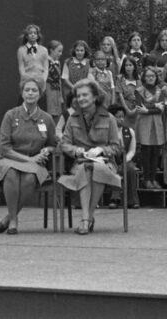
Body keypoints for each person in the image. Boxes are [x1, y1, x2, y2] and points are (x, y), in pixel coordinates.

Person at [0, 78, 57, 234]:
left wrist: (46, 151)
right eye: (27, 90)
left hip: (35, 163)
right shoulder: (10, 115)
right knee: (11, 173)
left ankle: (9, 217)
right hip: (9, 159)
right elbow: (4, 148)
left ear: (40, 94)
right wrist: (29, 159)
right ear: (22, 93)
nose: (30, 93)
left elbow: (53, 144)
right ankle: (13, 221)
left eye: (34, 90)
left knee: (29, 178)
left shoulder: (47, 119)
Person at [58, 78, 122, 235]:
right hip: (80, 162)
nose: (81, 98)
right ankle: (87, 218)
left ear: (95, 97)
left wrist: (101, 149)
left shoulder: (109, 118)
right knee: (86, 168)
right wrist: (77, 151)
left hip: (105, 163)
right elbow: (64, 144)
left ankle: (87, 218)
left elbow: (116, 146)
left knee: (97, 168)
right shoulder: (72, 118)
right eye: (78, 96)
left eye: (85, 95)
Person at [108, 104, 139, 209]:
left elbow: (132, 150)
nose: (121, 119)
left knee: (130, 168)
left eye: (122, 116)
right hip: (110, 159)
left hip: (125, 159)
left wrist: (125, 160)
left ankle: (132, 201)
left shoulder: (129, 131)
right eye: (118, 117)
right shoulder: (107, 132)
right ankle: (115, 199)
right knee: (114, 168)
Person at [16, 24, 49, 90]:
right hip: (26, 81)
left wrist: (43, 79)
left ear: (38, 36)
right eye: (30, 33)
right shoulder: (21, 50)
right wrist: (27, 79)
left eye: (35, 33)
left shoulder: (44, 50)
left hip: (40, 81)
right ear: (26, 36)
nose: (33, 35)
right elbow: (21, 68)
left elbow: (46, 68)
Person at [43, 42, 65, 126]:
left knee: (57, 113)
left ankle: (53, 130)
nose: (60, 54)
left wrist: (61, 96)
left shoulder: (58, 63)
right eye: (58, 51)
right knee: (49, 112)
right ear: (51, 50)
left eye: (61, 51)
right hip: (48, 90)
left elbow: (59, 80)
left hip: (56, 91)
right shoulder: (45, 62)